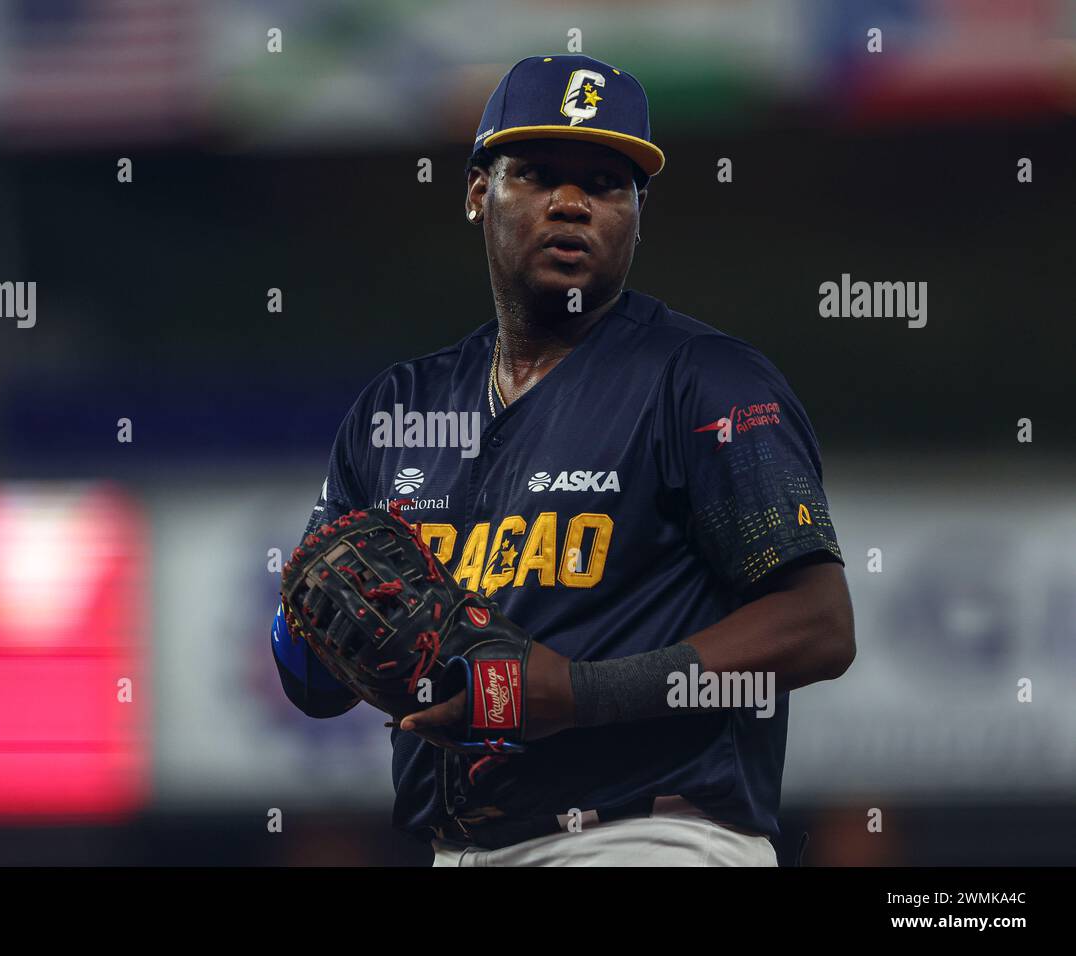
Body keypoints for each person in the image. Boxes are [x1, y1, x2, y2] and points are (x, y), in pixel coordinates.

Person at [271, 53, 855, 866]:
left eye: (608, 184)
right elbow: (312, 680)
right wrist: (307, 636)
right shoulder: (398, 407)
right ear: (480, 192)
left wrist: (579, 696)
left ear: (637, 215)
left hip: (654, 836)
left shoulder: (703, 381)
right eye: (540, 173)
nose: (573, 203)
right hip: (459, 848)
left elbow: (819, 628)